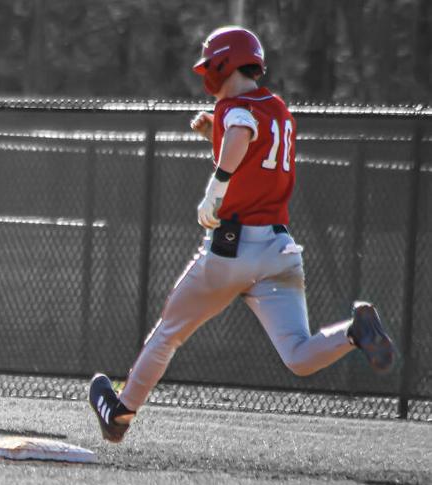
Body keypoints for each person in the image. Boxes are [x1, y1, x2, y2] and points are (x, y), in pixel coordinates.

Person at [87, 26, 397, 443]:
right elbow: (250, 146)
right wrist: (215, 133)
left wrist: (213, 190)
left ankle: (120, 414)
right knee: (299, 356)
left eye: (209, 68)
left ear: (222, 64)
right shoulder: (279, 109)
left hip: (233, 250)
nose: (206, 78)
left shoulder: (236, 107)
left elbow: (239, 133)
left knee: (168, 333)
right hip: (280, 250)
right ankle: (353, 332)